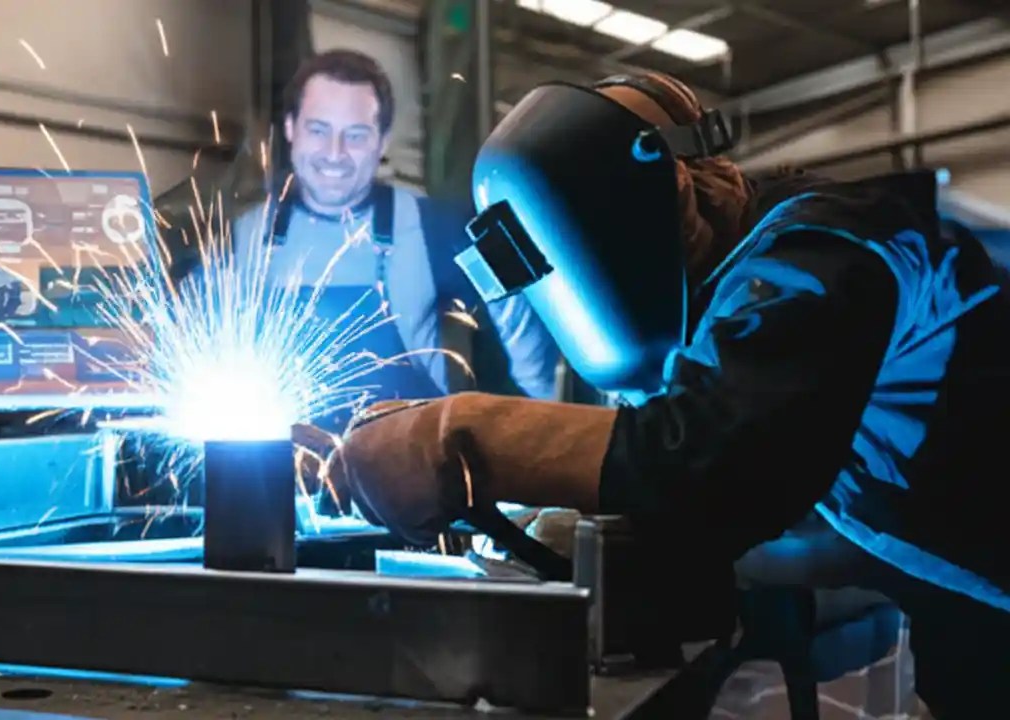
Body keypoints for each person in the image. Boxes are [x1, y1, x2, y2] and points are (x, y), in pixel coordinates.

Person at [314, 72, 1010, 716]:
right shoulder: (729, 306)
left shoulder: (828, 249)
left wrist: (458, 434)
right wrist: (597, 526)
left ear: (674, 192)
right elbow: (810, 512)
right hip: (969, 618)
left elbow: (712, 456)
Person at [232, 49, 561, 435]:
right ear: (290, 129)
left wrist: (545, 426)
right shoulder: (242, 237)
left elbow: (523, 326)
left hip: (412, 472)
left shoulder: (438, 227)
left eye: (356, 135)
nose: (335, 154)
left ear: (383, 140)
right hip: (277, 476)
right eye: (318, 130)